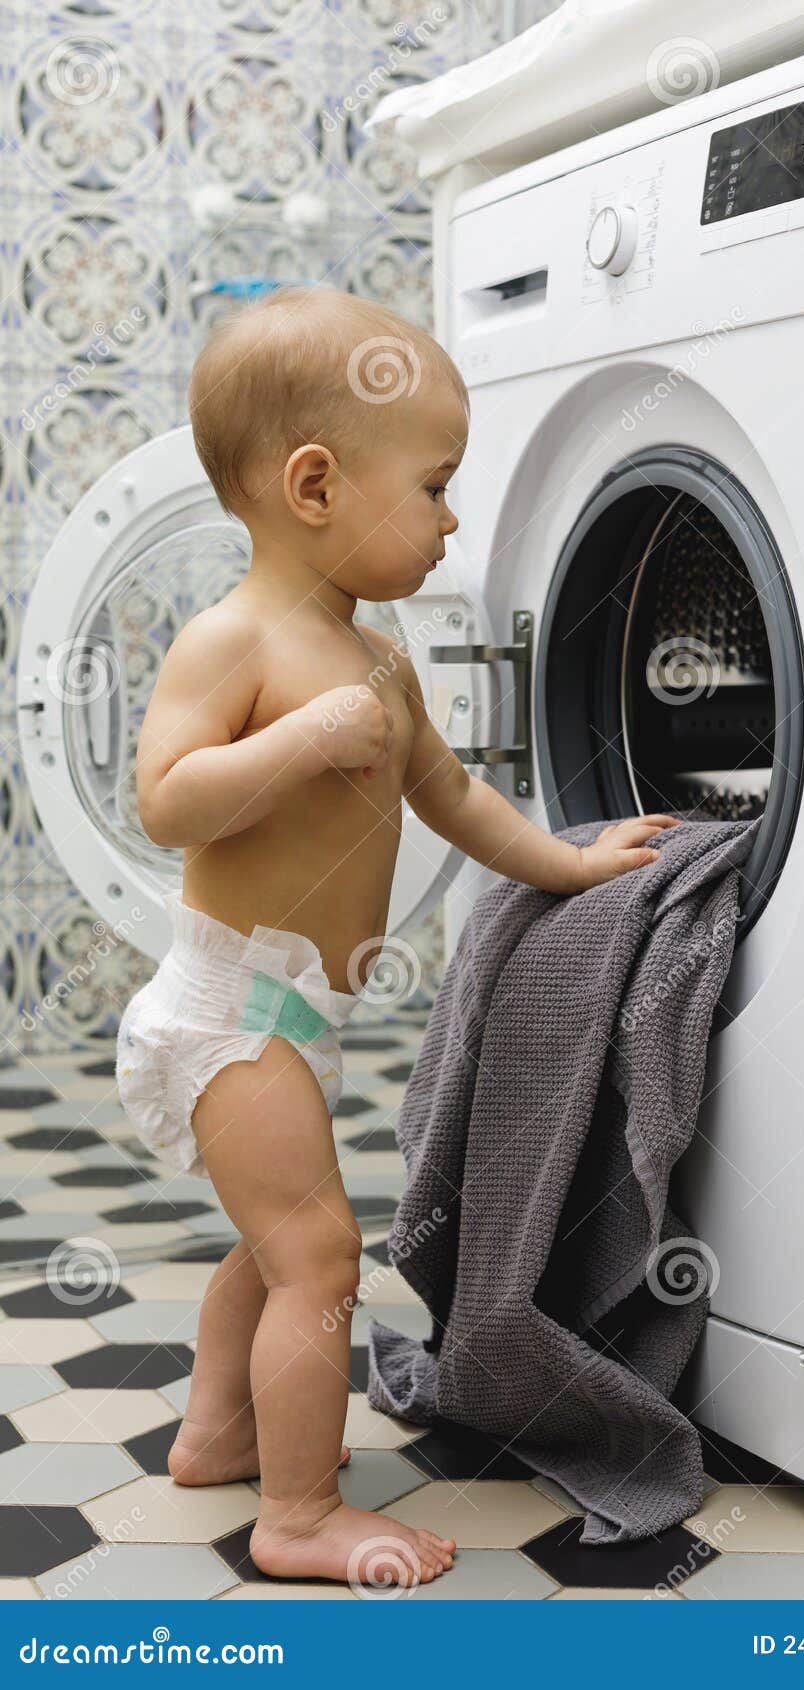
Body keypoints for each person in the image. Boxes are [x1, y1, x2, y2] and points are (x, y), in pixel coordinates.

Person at [115, 285, 680, 1588]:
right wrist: (298, 741)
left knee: (274, 1241)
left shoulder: (378, 662)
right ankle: (298, 1512)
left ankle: (214, 1431)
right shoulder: (235, 641)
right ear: (315, 486)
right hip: (227, 1006)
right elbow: (165, 798)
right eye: (431, 486)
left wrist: (570, 858)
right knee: (319, 1250)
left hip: (292, 1009)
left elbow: (455, 796)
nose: (451, 517)